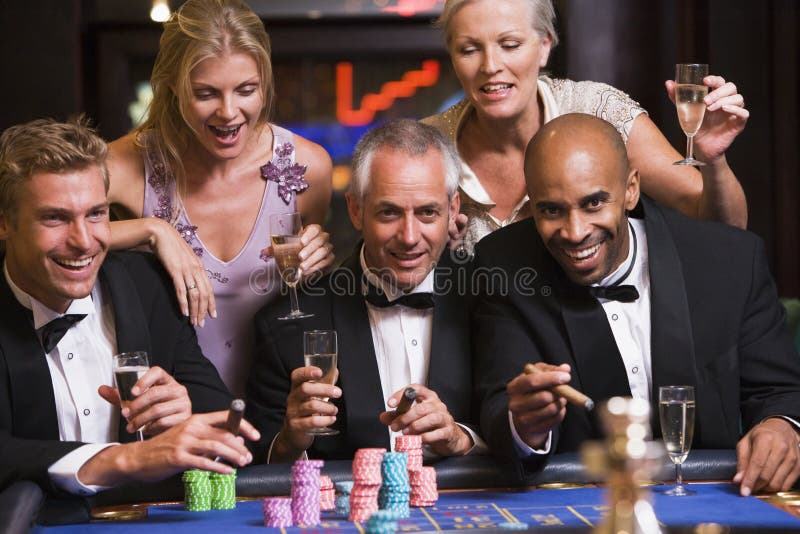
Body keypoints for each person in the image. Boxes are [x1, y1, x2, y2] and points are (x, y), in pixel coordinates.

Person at [472, 113, 800, 496]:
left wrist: (782, 425)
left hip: (718, 500)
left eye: (593, 203)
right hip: (585, 506)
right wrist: (524, 424)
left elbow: (780, 391)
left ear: (630, 189)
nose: (575, 232)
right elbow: (500, 403)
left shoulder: (729, 261)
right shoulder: (505, 266)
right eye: (552, 210)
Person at [0, 118, 260, 495]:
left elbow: (233, 436)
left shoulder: (148, 284)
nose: (84, 241)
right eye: (54, 218)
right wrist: (123, 458)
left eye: (95, 213)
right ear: (5, 223)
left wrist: (182, 418)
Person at [106, 0, 335, 397]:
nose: (229, 112)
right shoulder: (122, 166)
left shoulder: (309, 167)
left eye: (246, 90)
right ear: (173, 86)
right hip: (171, 417)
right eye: (206, 93)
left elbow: (309, 304)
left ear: (265, 82)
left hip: (278, 416)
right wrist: (152, 229)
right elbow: (36, 235)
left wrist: (321, 262)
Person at [423, 0, 749, 254]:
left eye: (510, 45)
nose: (490, 66)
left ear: (545, 45)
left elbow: (724, 227)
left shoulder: (598, 110)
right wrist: (428, 253)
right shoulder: (423, 147)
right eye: (469, 49)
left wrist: (713, 159)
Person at [245, 120, 483, 463]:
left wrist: (463, 440)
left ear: (453, 209)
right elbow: (257, 466)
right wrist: (289, 440)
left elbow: (523, 435)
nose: (410, 236)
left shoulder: (491, 302)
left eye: (428, 212)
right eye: (389, 213)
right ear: (356, 211)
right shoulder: (284, 325)